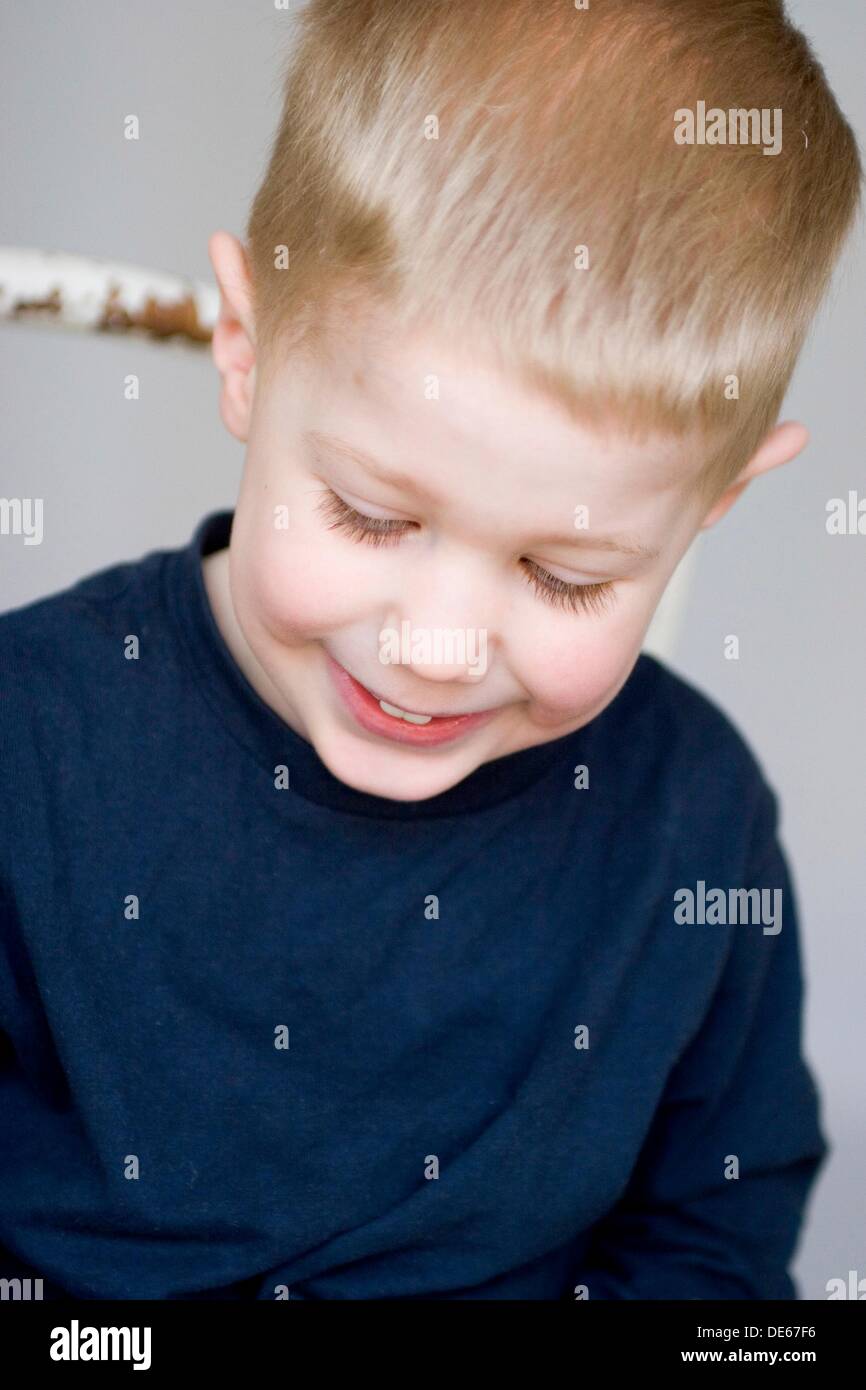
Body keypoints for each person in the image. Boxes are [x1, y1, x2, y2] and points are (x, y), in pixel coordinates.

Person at [0, 0, 860, 1299]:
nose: (440, 646)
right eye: (372, 514)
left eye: (565, 575)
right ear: (244, 352)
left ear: (711, 504)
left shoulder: (695, 824)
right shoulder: (31, 742)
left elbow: (711, 1243)